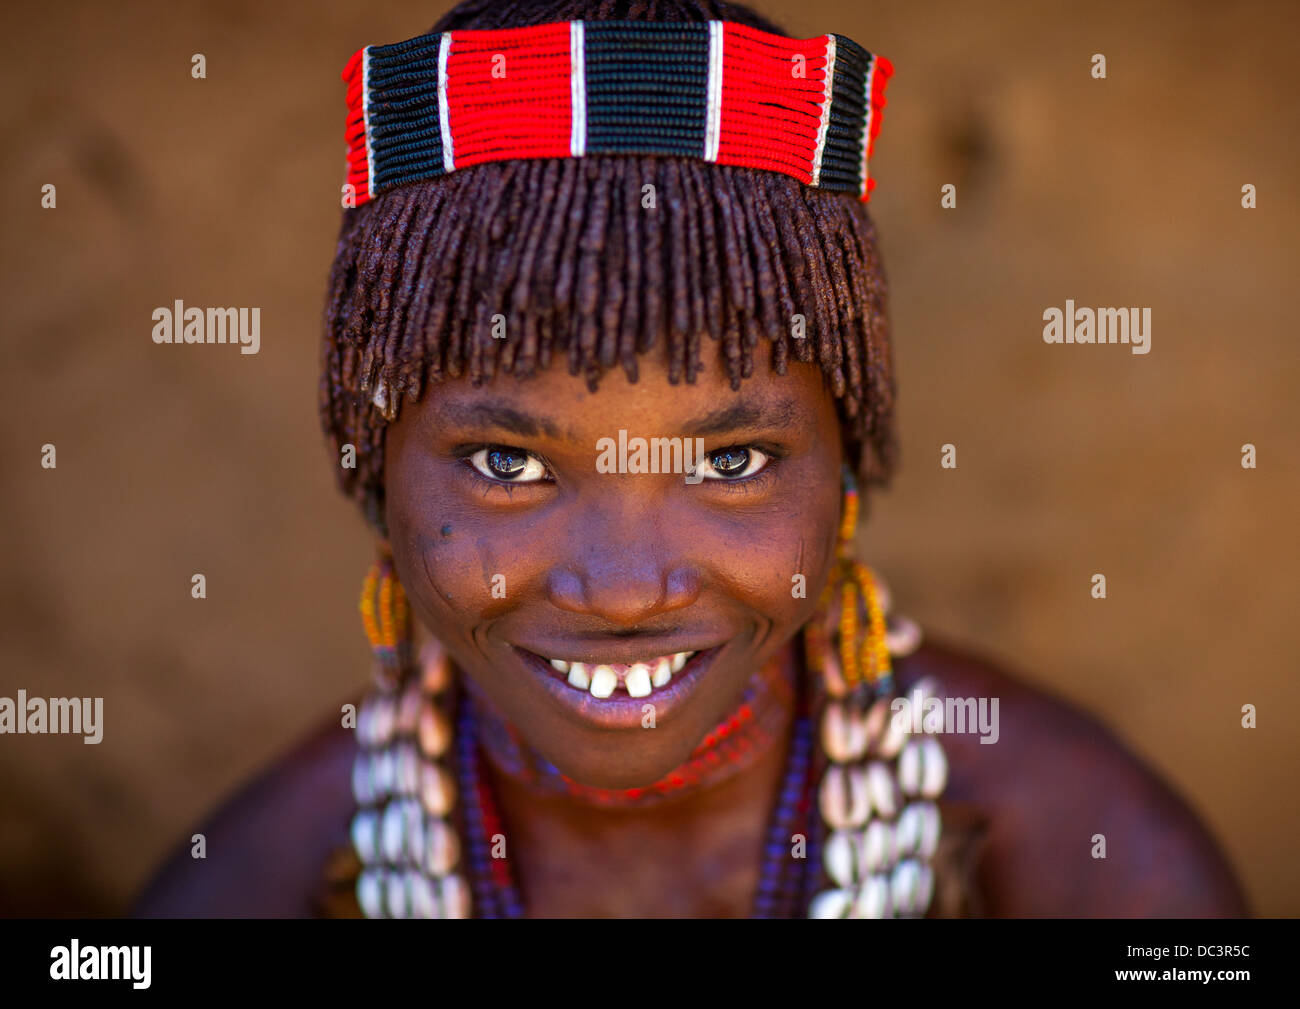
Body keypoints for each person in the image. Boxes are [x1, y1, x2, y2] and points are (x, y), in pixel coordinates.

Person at [134, 0, 1247, 918]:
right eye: (509, 466)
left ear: (845, 474)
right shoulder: (256, 884)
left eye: (731, 463)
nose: (623, 591)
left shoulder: (1085, 854)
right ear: (376, 481)